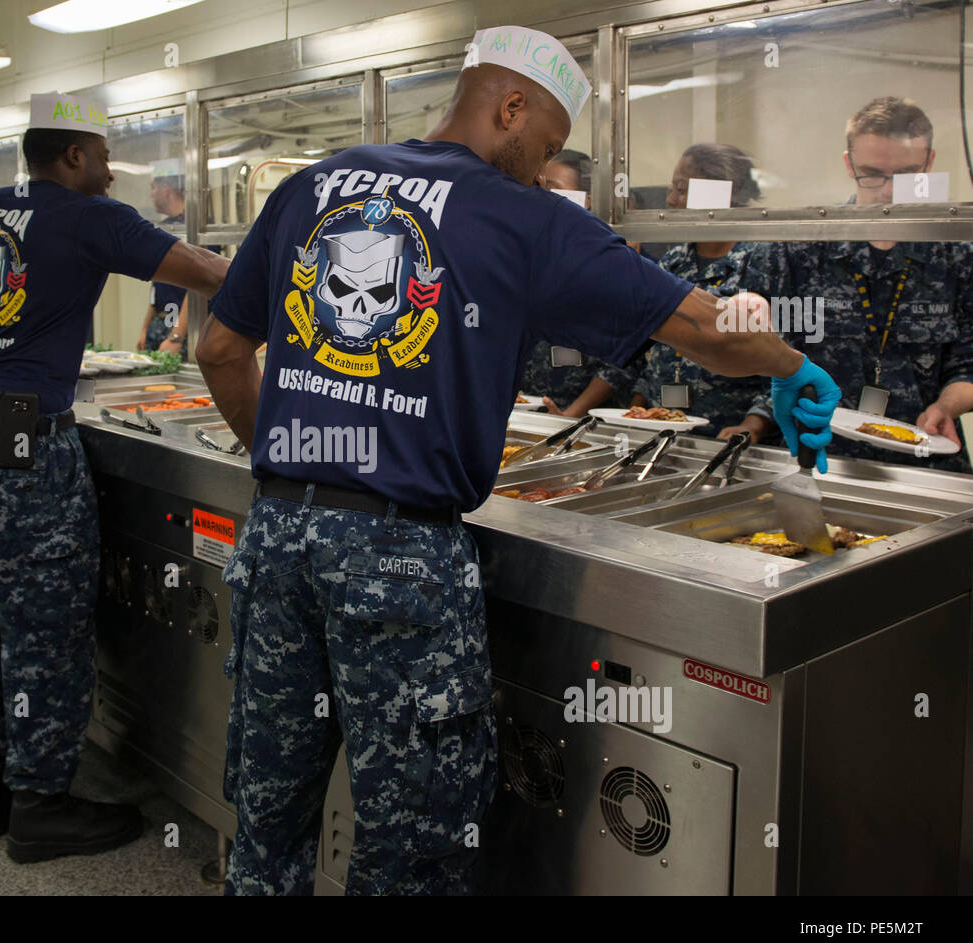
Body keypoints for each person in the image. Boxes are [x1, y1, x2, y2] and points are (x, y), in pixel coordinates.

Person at [196, 25, 839, 896]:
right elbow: (702, 329)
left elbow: (222, 348)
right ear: (511, 107)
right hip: (400, 561)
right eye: (548, 147)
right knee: (412, 849)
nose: (543, 168)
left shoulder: (314, 184)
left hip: (275, 542)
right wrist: (795, 365)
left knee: (266, 824)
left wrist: (284, 465)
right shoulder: (521, 215)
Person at [0, 92, 228, 861]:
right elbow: (208, 272)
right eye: (105, 155)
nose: (113, 170)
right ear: (76, 156)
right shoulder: (88, 216)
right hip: (20, 436)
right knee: (44, 623)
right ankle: (41, 805)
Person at [746, 97, 973, 471]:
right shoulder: (804, 249)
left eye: (906, 175)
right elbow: (767, 344)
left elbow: (966, 363)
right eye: (872, 174)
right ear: (849, 164)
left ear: (929, 163)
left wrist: (946, 406)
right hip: (821, 454)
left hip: (925, 460)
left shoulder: (956, 253)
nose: (887, 191)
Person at [631, 143, 775, 440]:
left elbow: (787, 359)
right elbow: (651, 351)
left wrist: (752, 426)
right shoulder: (673, 262)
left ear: (720, 193)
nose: (670, 200)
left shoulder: (764, 262)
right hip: (663, 435)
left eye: (681, 190)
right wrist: (637, 411)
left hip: (729, 439)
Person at [520, 149, 636, 415]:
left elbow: (623, 360)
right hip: (529, 413)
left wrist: (571, 415)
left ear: (587, 200)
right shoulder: (532, 257)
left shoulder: (609, 264)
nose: (542, 196)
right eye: (538, 186)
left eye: (554, 188)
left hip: (588, 424)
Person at [136, 158, 190, 356]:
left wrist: (176, 337)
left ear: (166, 189)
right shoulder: (163, 229)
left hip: (180, 331)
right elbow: (156, 284)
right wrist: (145, 328)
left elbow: (197, 291)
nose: (151, 195)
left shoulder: (193, 229)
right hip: (159, 326)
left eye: (153, 188)